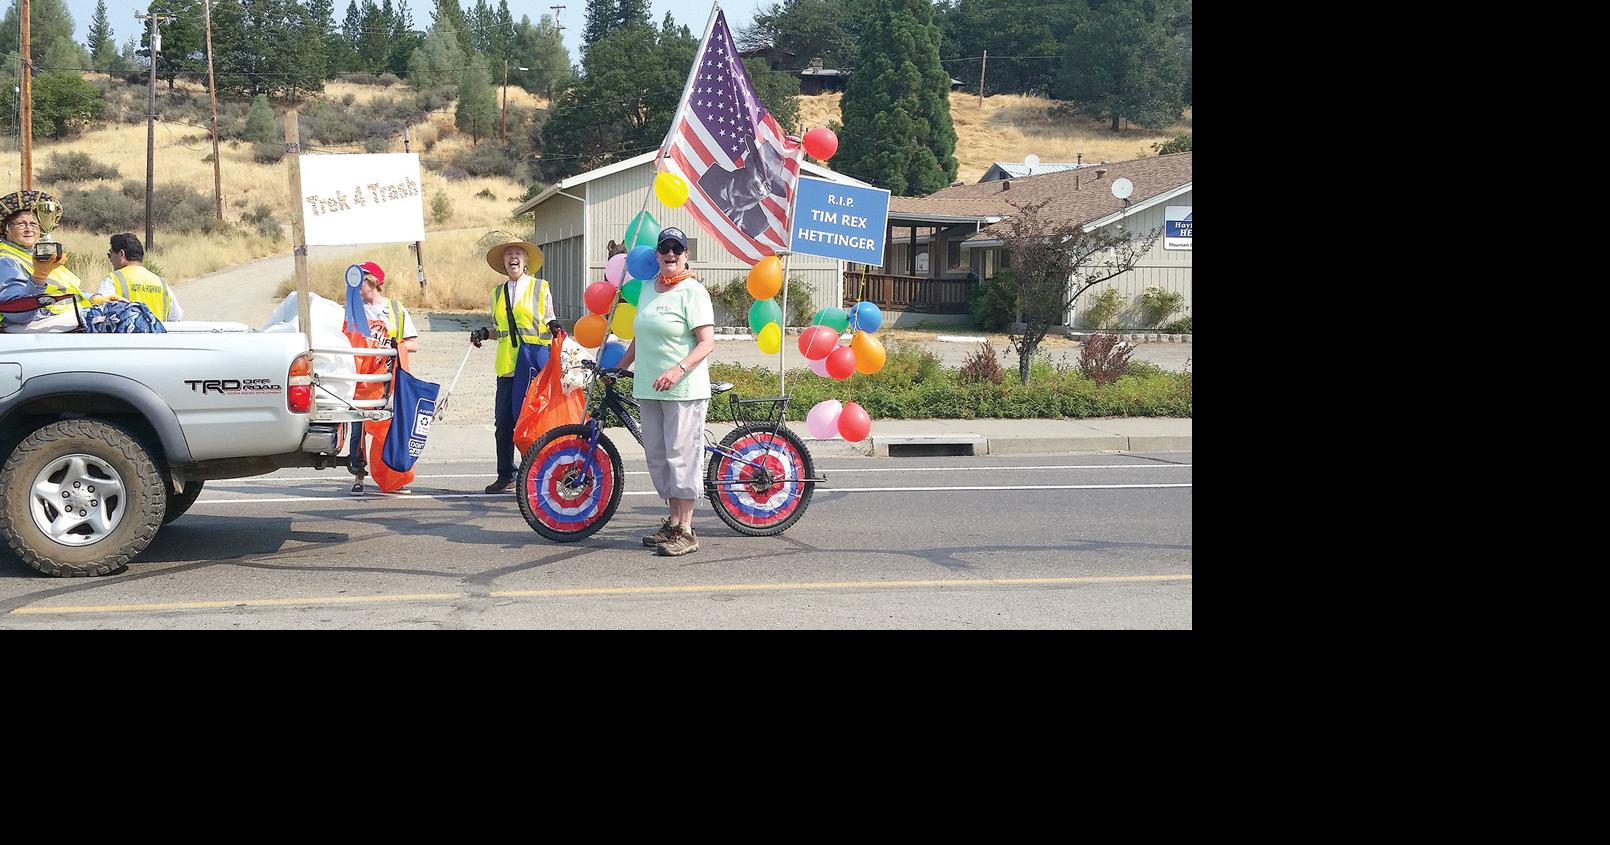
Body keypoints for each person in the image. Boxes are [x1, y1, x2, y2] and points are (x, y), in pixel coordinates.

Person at [614, 227, 715, 557]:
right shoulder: (647, 288)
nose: (670, 254)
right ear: (656, 255)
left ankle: (687, 530)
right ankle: (673, 522)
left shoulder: (693, 291)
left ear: (686, 255)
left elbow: (706, 343)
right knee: (658, 458)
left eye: (677, 248)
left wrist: (677, 369)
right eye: (664, 248)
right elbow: (640, 336)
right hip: (648, 387)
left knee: (681, 456)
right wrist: (619, 367)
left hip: (683, 390)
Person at [471, 236, 562, 494]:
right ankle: (506, 474)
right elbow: (501, 330)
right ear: (503, 262)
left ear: (526, 262)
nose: (513, 257)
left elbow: (548, 319)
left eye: (518, 253)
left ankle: (532, 474)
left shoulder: (540, 287)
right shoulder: (497, 293)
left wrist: (553, 325)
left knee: (531, 423)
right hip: (507, 366)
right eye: (508, 253)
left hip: (533, 364)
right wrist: (483, 333)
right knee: (504, 423)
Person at [345, 261, 419, 495]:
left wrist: (394, 346)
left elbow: (413, 343)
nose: (356, 286)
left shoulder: (395, 309)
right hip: (361, 381)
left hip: (389, 382)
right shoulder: (352, 310)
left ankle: (393, 477)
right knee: (358, 431)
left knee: (388, 429)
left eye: (361, 280)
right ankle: (358, 476)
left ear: (373, 281)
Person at [0, 190, 94, 333]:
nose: (29, 229)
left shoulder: (40, 256)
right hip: (41, 326)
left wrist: (96, 298)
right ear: (7, 229)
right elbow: (17, 313)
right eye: (21, 224)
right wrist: (39, 277)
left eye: (34, 224)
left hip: (68, 319)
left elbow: (66, 289)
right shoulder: (5, 260)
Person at [96, 233, 182, 321]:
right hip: (158, 333)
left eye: (110, 254)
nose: (110, 259)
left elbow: (98, 312)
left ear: (121, 254)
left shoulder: (113, 279)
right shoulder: (161, 283)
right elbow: (176, 317)